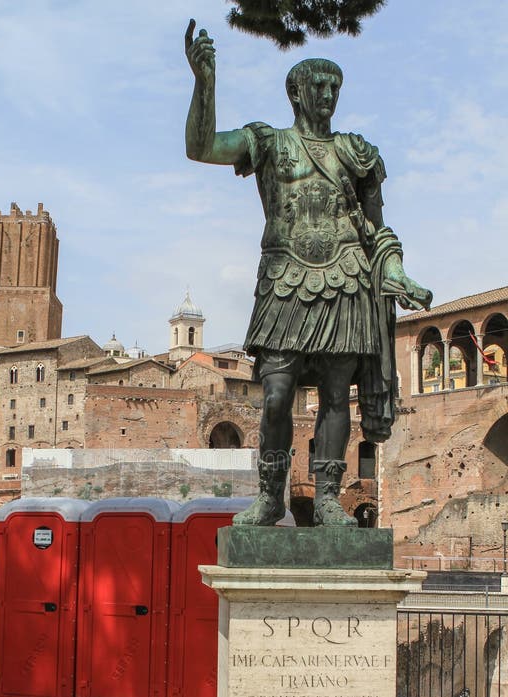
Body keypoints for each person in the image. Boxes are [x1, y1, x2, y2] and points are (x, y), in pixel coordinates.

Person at [185, 21, 432, 527]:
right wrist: (204, 81)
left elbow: (379, 232)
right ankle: (273, 496)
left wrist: (399, 275)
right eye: (319, 86)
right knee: (277, 393)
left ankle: (325, 498)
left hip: (346, 278)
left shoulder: (356, 152)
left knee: (338, 396)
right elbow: (202, 146)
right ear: (295, 93)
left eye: (335, 87)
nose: (329, 94)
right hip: (285, 281)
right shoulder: (269, 142)